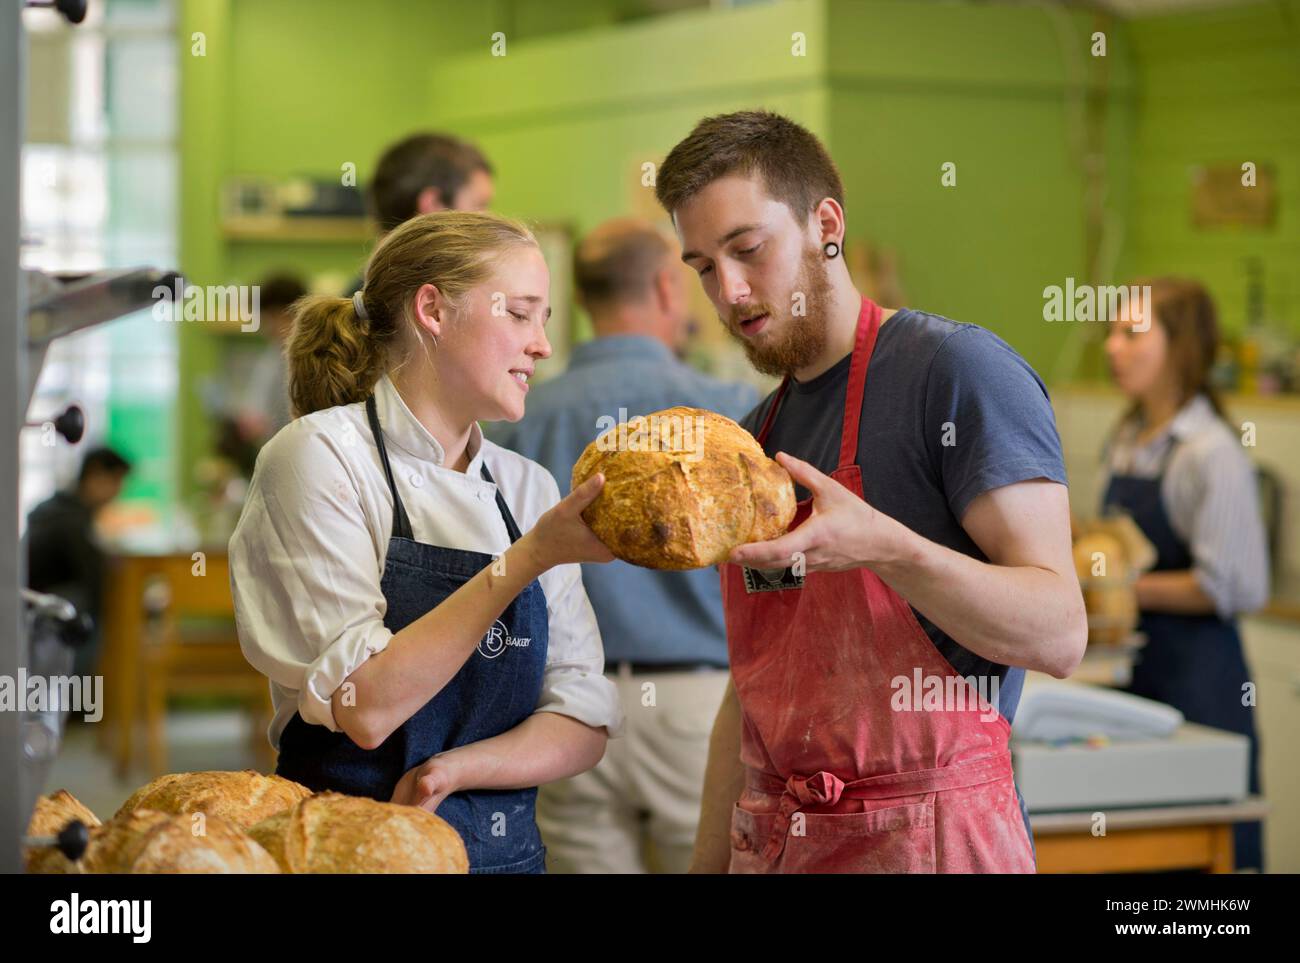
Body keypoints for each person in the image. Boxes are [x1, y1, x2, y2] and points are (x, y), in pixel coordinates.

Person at [655, 109, 1087, 873]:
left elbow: (1058, 631)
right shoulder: (756, 437)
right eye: (702, 268)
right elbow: (751, 693)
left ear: (826, 222)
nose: (729, 292)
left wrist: (885, 548)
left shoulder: (955, 375)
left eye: (748, 249)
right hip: (783, 843)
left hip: (931, 840)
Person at [228, 211, 623, 874]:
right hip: (343, 850)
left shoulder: (525, 486)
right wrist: (527, 558)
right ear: (434, 310)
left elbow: (584, 717)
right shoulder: (319, 456)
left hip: (504, 856)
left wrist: (455, 770)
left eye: (546, 317)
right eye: (521, 315)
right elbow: (367, 705)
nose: (544, 345)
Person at [489, 218, 758, 873]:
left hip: (565, 707)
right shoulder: (732, 411)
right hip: (702, 709)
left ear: (579, 300)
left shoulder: (516, 417)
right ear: (668, 288)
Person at [1102, 278, 1268, 871]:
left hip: (1202, 682)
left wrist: (1115, 591)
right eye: (1111, 332)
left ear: (1181, 347)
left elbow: (1236, 585)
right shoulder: (1127, 439)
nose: (1112, 347)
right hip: (1138, 676)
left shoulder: (1209, 451)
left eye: (1132, 334)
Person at [26, 446, 132, 679]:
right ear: (96, 476)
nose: (118, 492)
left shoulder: (60, 507)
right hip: (41, 610)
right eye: (116, 482)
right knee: (89, 608)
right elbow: (93, 577)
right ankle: (80, 695)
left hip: (32, 604)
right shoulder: (72, 520)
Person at [345, 132, 494, 296]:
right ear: (433, 205)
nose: (487, 219)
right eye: (479, 205)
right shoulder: (416, 308)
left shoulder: (355, 302)